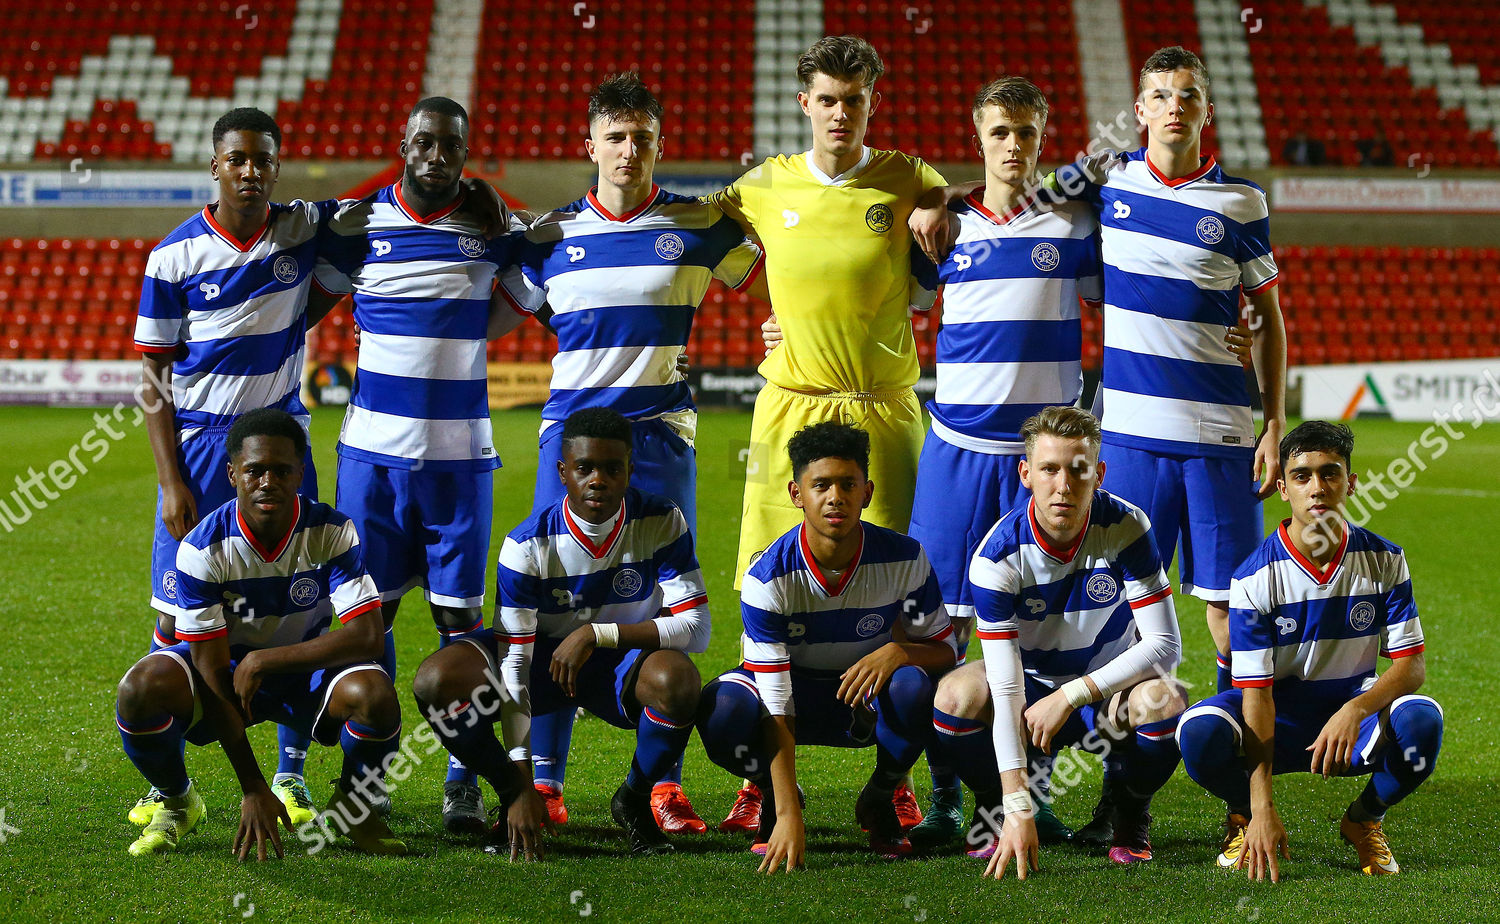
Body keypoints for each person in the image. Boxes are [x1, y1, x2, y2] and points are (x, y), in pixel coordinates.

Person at [915, 46, 1287, 845]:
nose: (1015, 146)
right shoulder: (1052, 199)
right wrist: (933, 195)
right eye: (999, 133)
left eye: (1188, 95)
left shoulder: (1099, 215)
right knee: (964, 624)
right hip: (986, 447)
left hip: (1150, 442)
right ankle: (959, 793)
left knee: (1183, 620)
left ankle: (1208, 795)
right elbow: (901, 282)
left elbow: (1232, 302)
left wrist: (1254, 370)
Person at [498, 72, 763, 834]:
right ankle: (545, 780)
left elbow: (775, 277)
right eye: (614, 136)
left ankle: (660, 786)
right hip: (573, 442)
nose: (628, 149)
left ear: (659, 143)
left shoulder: (700, 223)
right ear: (590, 145)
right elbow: (512, 311)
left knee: (663, 602)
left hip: (659, 437)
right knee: (558, 602)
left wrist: (784, 330)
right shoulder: (548, 236)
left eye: (641, 136)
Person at [707, 33, 947, 833]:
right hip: (792, 408)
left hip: (883, 411)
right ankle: (761, 780)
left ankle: (895, 775)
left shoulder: (907, 176)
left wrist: (937, 206)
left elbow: (955, 197)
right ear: (804, 102)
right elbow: (695, 229)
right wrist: (765, 304)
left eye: (855, 99)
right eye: (828, 99)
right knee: (768, 585)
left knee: (897, 592)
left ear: (871, 103)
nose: (841, 113)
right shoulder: (763, 183)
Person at [313, 96, 525, 834]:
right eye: (425, 143)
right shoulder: (359, 223)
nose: (437, 157)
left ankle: (464, 779)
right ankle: (363, 782)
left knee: (460, 623)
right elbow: (306, 297)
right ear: (403, 145)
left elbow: (530, 291)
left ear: (466, 153)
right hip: (371, 462)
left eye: (452, 147)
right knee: (366, 620)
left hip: (458, 464)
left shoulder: (492, 227)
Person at [132, 106, 345, 829]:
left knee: (300, 607)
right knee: (176, 615)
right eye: (237, 159)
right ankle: (172, 789)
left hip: (280, 451)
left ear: (277, 167)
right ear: (215, 165)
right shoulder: (173, 256)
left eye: (262, 159)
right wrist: (171, 481)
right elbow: (153, 376)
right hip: (200, 450)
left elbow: (377, 214)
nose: (250, 171)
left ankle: (290, 776)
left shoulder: (301, 229)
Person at [411, 407, 711, 858]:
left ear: (630, 469)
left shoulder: (661, 520)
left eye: (612, 469)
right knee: (437, 681)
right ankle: (509, 798)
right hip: (537, 665)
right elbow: (515, 664)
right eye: (584, 468)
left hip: (616, 666)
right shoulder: (527, 544)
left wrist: (595, 635)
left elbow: (698, 630)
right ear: (563, 472)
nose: (598, 480)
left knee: (678, 680)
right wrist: (519, 783)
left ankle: (633, 799)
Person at [115, 408, 406, 858]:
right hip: (226, 679)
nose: (268, 482)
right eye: (254, 471)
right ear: (233, 474)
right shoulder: (202, 548)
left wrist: (263, 660)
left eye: (281, 470)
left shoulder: (331, 530)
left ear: (300, 473)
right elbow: (209, 668)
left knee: (375, 693)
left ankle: (353, 808)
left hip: (301, 673)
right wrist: (252, 787)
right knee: (140, 689)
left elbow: (368, 636)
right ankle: (177, 800)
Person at [1177, 421, 1442, 881]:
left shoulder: (1385, 560)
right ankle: (1244, 815)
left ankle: (1364, 819)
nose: (1317, 488)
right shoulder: (1253, 578)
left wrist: (1355, 710)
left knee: (1422, 721)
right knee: (1197, 733)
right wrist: (1263, 806)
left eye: (1329, 473)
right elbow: (1256, 694)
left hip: (1348, 716)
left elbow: (1411, 667)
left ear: (1350, 483)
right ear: (1283, 488)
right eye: (1302, 476)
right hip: (1274, 716)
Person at [696, 422, 957, 871]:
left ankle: (880, 796)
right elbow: (776, 698)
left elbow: (945, 649)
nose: (835, 497)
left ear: (867, 492)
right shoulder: (768, 577)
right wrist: (788, 813)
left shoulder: (905, 558)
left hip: (858, 699)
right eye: (821, 485)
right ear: (797, 494)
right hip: (785, 696)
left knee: (916, 686)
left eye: (848, 484)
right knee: (721, 709)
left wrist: (899, 651)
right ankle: (771, 794)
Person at [951, 406, 1185, 877]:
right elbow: (1007, 688)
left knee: (1165, 698)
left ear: (1098, 474)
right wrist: (1017, 804)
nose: (1063, 485)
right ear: (1026, 474)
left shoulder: (1127, 526)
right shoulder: (996, 559)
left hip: (1106, 693)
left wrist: (1071, 695)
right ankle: (997, 809)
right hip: (1031, 695)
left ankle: (1126, 810)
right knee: (957, 695)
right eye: (1049, 469)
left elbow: (1165, 645)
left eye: (1078, 470)